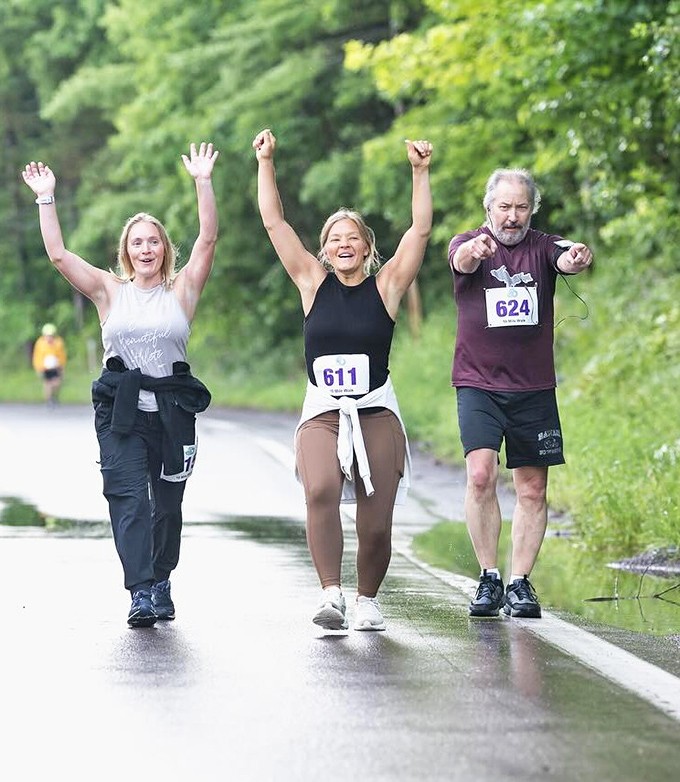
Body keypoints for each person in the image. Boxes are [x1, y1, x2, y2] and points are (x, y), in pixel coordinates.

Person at [22, 142, 219, 627]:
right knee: (129, 497)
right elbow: (58, 256)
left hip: (173, 410)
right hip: (121, 409)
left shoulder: (183, 290)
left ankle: (163, 576)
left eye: (153, 241)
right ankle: (141, 591)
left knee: (167, 506)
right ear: (126, 252)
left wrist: (202, 182)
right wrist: (46, 197)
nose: (146, 249)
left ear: (164, 249)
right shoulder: (110, 291)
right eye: (137, 242)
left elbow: (209, 239)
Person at [253, 127, 433, 632]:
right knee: (321, 489)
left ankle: (367, 600)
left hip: (376, 409)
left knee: (376, 519)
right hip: (323, 410)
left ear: (367, 247)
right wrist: (266, 162)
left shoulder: (388, 286)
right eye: (334, 239)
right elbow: (274, 222)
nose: (343, 243)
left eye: (353, 236)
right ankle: (330, 595)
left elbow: (419, 232)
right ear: (325, 251)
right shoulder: (312, 282)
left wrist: (420, 173)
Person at [448, 167, 593, 619]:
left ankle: (520, 583)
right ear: (488, 207)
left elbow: (564, 259)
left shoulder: (543, 246)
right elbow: (462, 262)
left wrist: (576, 259)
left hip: (533, 389)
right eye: (504, 207)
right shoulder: (466, 243)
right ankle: (489, 578)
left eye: (521, 207)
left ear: (533, 209)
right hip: (478, 384)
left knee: (531, 490)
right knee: (480, 475)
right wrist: (474, 251)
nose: (512, 217)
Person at [32, 322, 67, 405]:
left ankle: (54, 397)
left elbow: (62, 355)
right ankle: (49, 400)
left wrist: (61, 366)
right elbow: (37, 357)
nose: (49, 338)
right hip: (44, 368)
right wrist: (38, 368)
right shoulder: (40, 344)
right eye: (47, 335)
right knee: (47, 384)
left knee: (57, 383)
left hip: (56, 367)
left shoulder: (58, 343)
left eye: (51, 335)